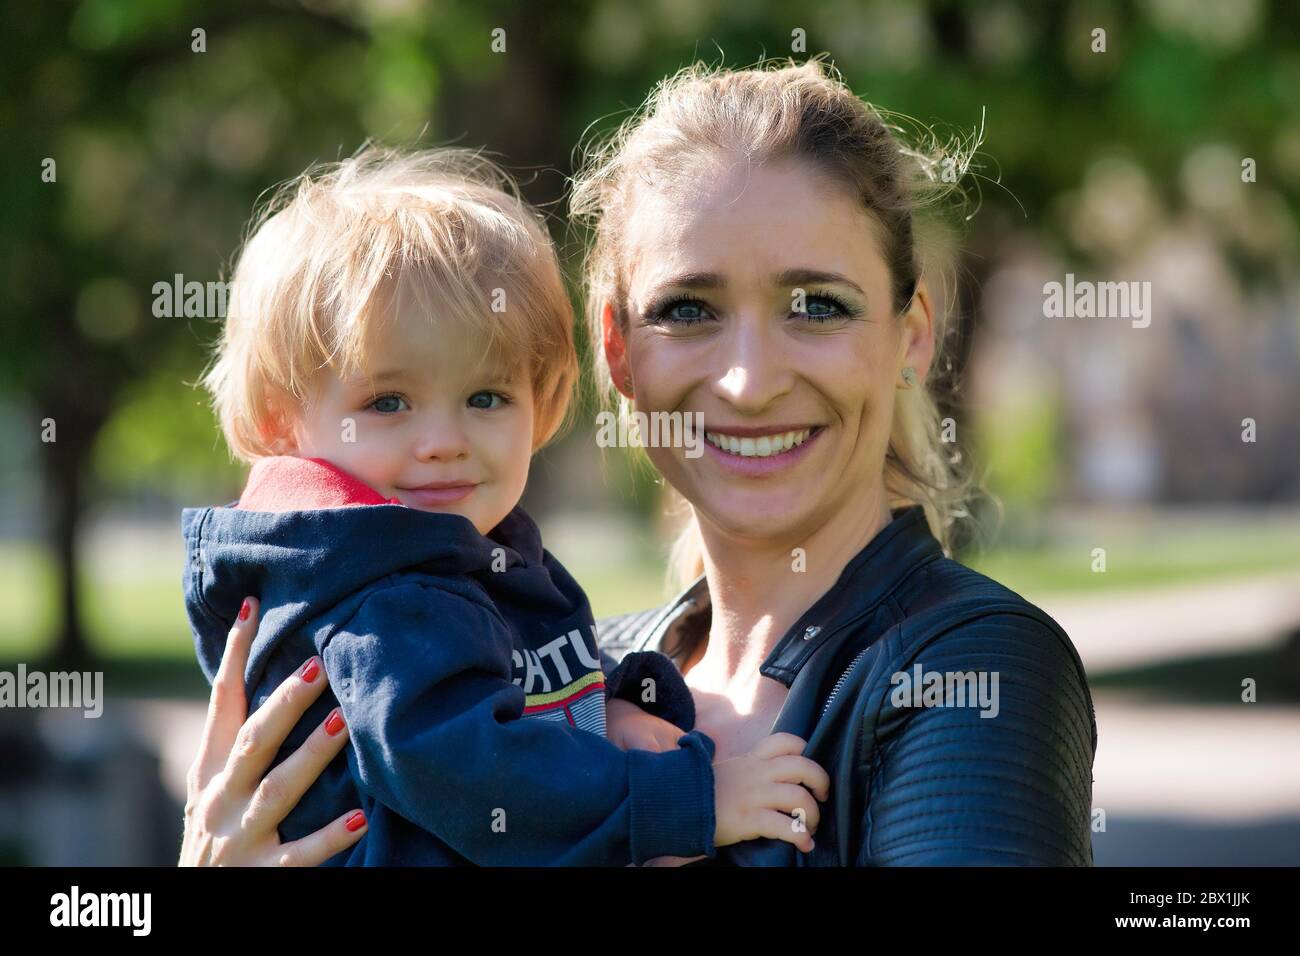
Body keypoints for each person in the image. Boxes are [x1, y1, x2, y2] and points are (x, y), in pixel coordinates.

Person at [180, 60, 1096, 867]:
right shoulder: (578, 669)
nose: (747, 382)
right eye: (689, 310)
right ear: (618, 351)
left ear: (911, 335)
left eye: (817, 305)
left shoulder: (967, 667)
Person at [180, 146, 828, 866]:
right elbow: (485, 778)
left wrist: (600, 710)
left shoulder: (455, 554)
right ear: (280, 419)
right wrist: (691, 804)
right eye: (387, 402)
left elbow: (502, 685)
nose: (443, 441)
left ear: (540, 403)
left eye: (485, 397)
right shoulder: (378, 595)